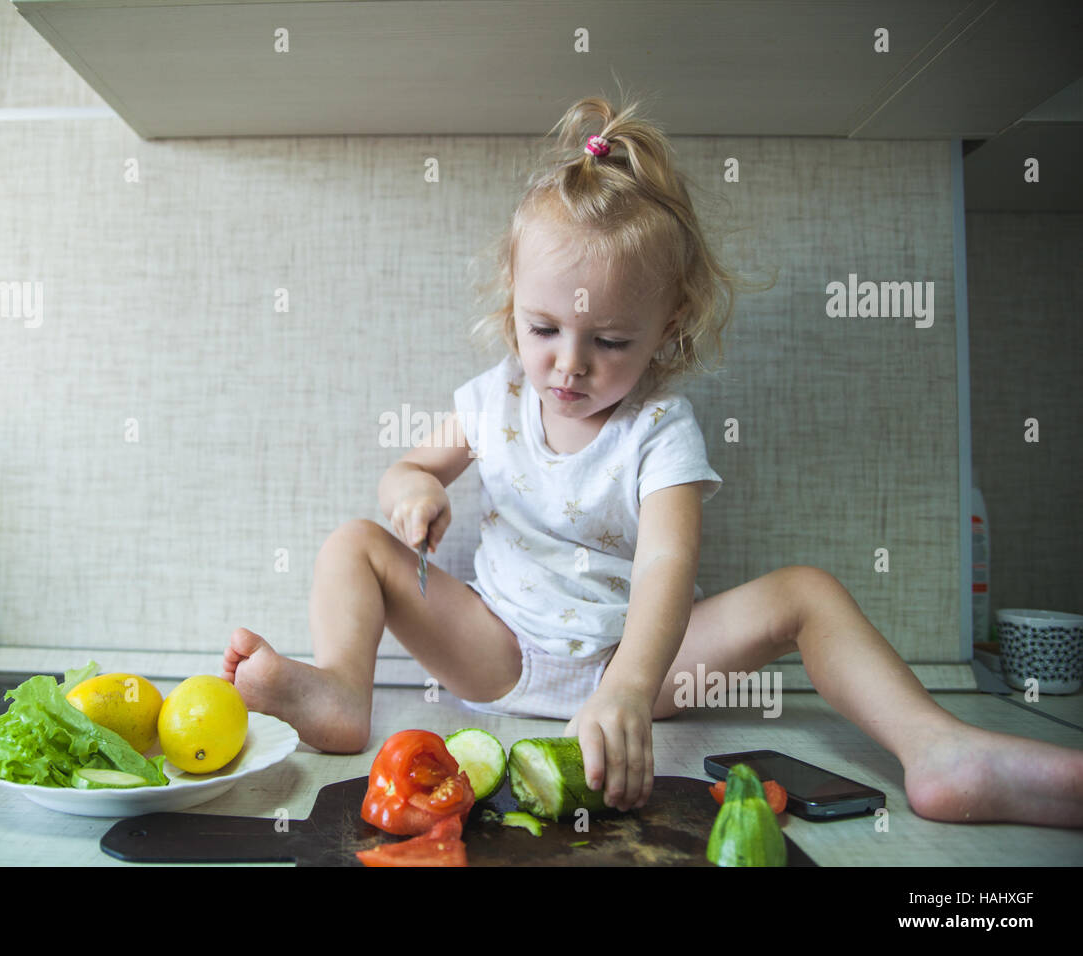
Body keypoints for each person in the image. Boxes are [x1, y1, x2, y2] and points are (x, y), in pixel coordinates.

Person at [224, 96, 1083, 828]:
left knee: (807, 593)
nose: (568, 364)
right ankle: (340, 691)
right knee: (353, 542)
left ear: (667, 330)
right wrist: (413, 490)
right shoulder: (494, 400)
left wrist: (630, 687)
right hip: (495, 648)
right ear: (513, 307)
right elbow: (407, 471)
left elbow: (671, 565)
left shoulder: (660, 427)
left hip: (635, 661)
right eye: (544, 330)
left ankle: (935, 748)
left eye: (609, 341)